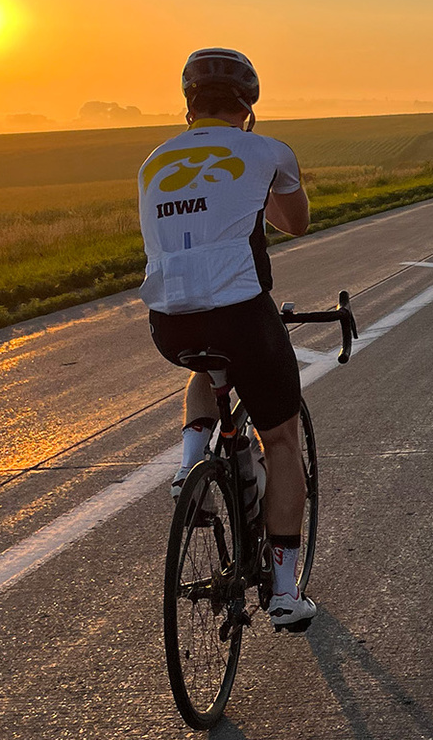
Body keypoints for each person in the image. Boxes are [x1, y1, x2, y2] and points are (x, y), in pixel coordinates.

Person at [142, 48, 318, 632]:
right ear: (250, 105)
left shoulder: (153, 161)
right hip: (243, 316)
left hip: (170, 322)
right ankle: (286, 589)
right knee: (283, 439)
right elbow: (296, 223)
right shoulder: (268, 151)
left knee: (206, 366)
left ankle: (190, 465)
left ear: (189, 102)